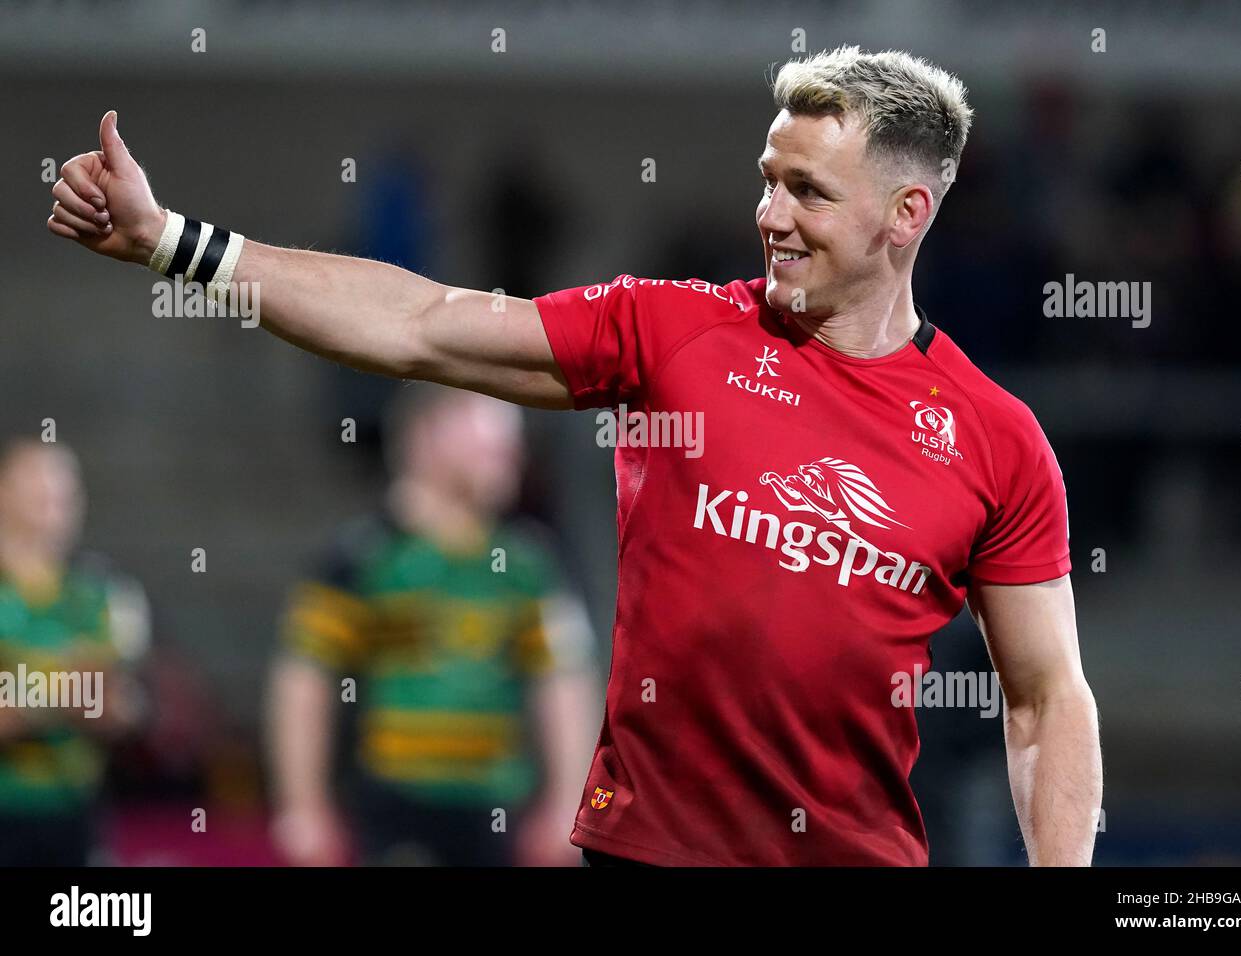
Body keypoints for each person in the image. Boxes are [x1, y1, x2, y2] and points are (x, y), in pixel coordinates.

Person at [47, 45, 1102, 866]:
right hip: (644, 857)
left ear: (905, 215)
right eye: (767, 179)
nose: (768, 215)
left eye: (808, 193)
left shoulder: (994, 438)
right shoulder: (674, 331)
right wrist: (175, 244)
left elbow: (1046, 694)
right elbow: (422, 323)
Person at [267, 386, 596, 866]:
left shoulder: (530, 564)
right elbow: (303, 681)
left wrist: (570, 802)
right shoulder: (362, 559)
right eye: (493, 442)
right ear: (428, 435)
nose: (512, 452)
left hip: (498, 811)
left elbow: (564, 682)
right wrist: (302, 805)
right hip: (395, 807)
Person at [0, 440, 149, 865]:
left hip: (76, 812)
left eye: (64, 495)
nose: (54, 506)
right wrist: (67, 688)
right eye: (39, 492)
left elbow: (122, 706)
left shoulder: (102, 593)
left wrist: (29, 695)